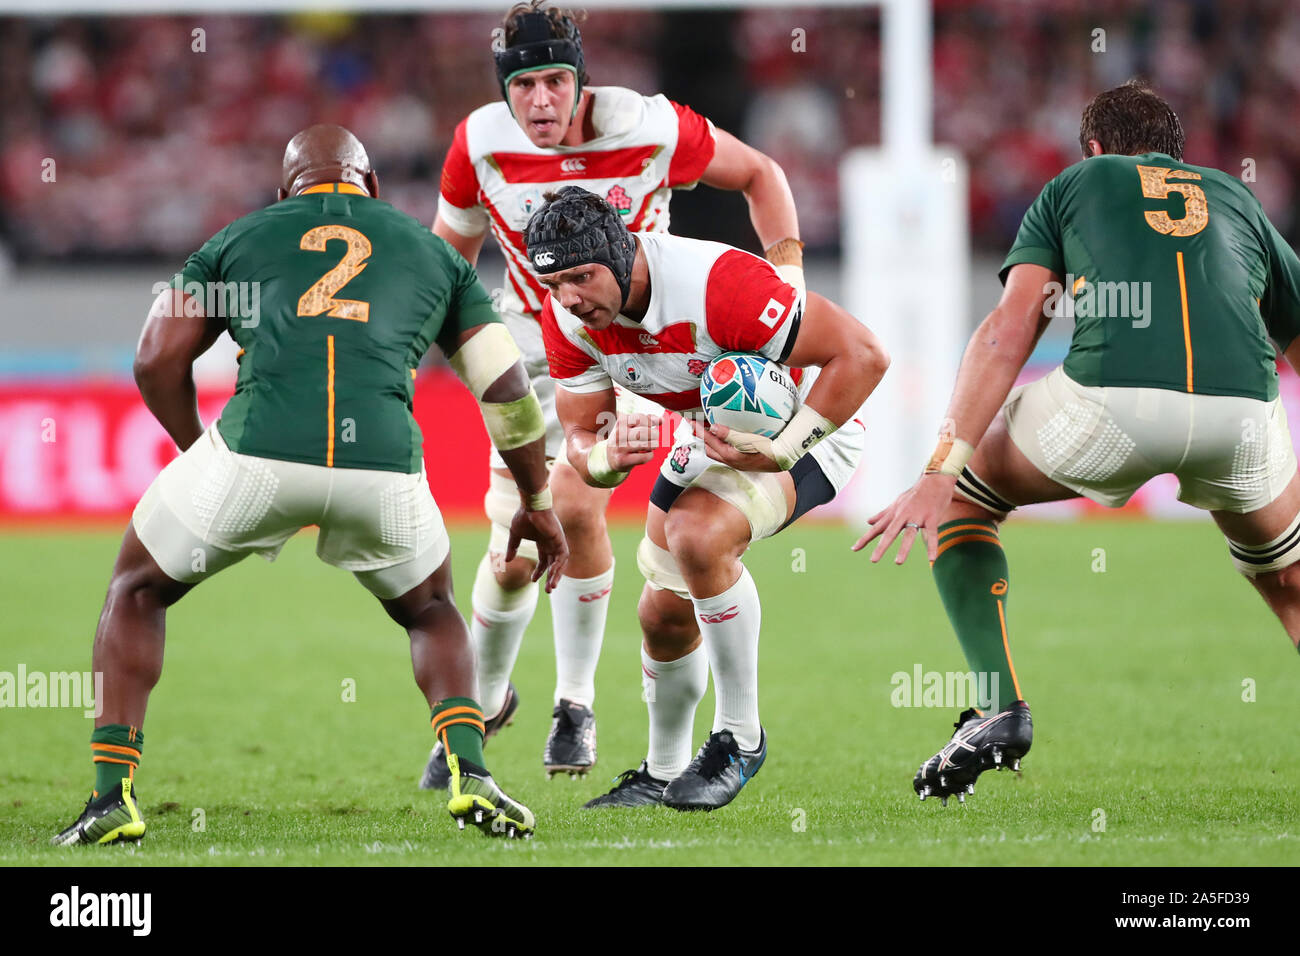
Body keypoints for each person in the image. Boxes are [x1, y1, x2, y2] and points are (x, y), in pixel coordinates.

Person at [52, 124, 566, 845]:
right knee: (432, 610)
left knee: (137, 589)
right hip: (383, 467)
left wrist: (200, 452)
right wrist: (537, 504)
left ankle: (113, 798)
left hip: (256, 452)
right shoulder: (432, 253)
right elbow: (508, 390)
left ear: (284, 191)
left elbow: (153, 360)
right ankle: (470, 769)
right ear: (374, 187)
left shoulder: (238, 238)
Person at [855, 81, 1300, 805]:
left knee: (967, 499)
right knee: (1288, 578)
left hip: (1110, 407)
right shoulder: (1234, 193)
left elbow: (1009, 329)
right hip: (1245, 413)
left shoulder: (1076, 182)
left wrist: (941, 468)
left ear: (1093, 148)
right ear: (1175, 154)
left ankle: (999, 707)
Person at [421, 0, 805, 787]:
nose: (539, 102)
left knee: (575, 503)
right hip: (530, 350)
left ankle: (575, 702)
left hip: (633, 347)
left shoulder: (651, 127)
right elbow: (444, 261)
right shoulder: (477, 145)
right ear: (504, 89)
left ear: (581, 79)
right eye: (522, 85)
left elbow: (761, 173)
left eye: (555, 81)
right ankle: (490, 699)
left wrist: (791, 282)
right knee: (514, 555)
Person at [525, 187, 888, 809]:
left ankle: (740, 737)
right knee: (661, 617)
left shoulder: (719, 284)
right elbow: (582, 438)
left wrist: (784, 448)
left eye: (582, 277)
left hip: (808, 434)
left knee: (698, 534)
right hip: (709, 441)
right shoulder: (567, 318)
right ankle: (663, 771)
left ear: (621, 252)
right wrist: (609, 458)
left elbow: (863, 355)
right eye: (555, 282)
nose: (570, 298)